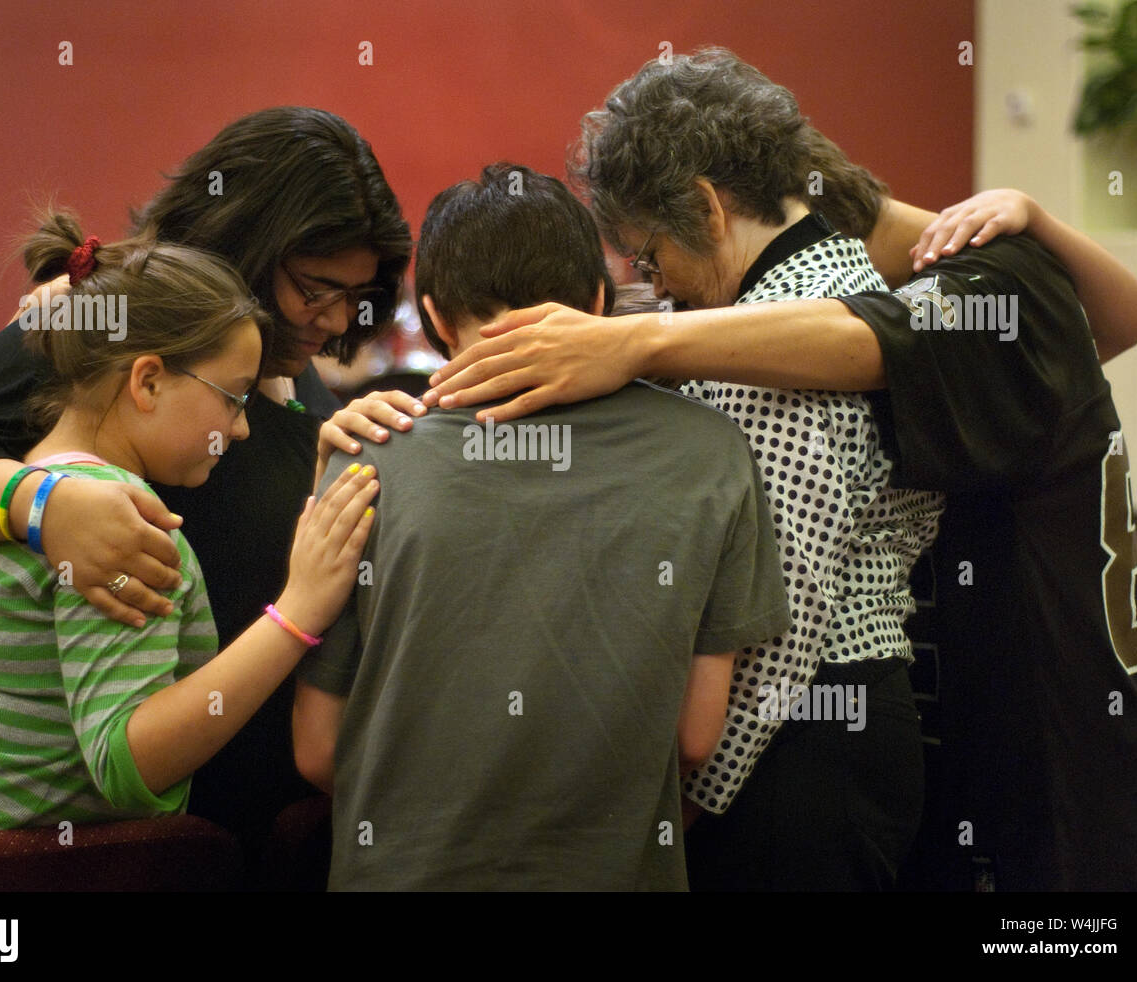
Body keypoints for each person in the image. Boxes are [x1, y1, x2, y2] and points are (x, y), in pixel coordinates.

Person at [417, 142, 1137, 890]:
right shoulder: (968, 275)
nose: (662, 288)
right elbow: (1124, 315)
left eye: (653, 258)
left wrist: (635, 342)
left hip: (1023, 728)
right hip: (974, 717)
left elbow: (789, 605)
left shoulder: (917, 299)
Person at [0, 107, 413, 858]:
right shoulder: (107, 325)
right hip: (105, 829)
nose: (333, 319)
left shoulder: (297, 389)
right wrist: (47, 507)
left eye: (355, 295)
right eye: (313, 287)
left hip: (237, 823)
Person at [291, 163, 791, 890]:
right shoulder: (712, 453)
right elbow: (695, 736)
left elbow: (317, 749)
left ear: (431, 316)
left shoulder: (364, 459)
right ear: (597, 300)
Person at [545, 50, 944, 890]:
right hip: (834, 729)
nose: (659, 291)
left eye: (651, 261)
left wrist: (695, 795)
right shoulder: (835, 280)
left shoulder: (777, 333)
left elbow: (776, 614)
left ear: (705, 206)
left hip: (804, 742)